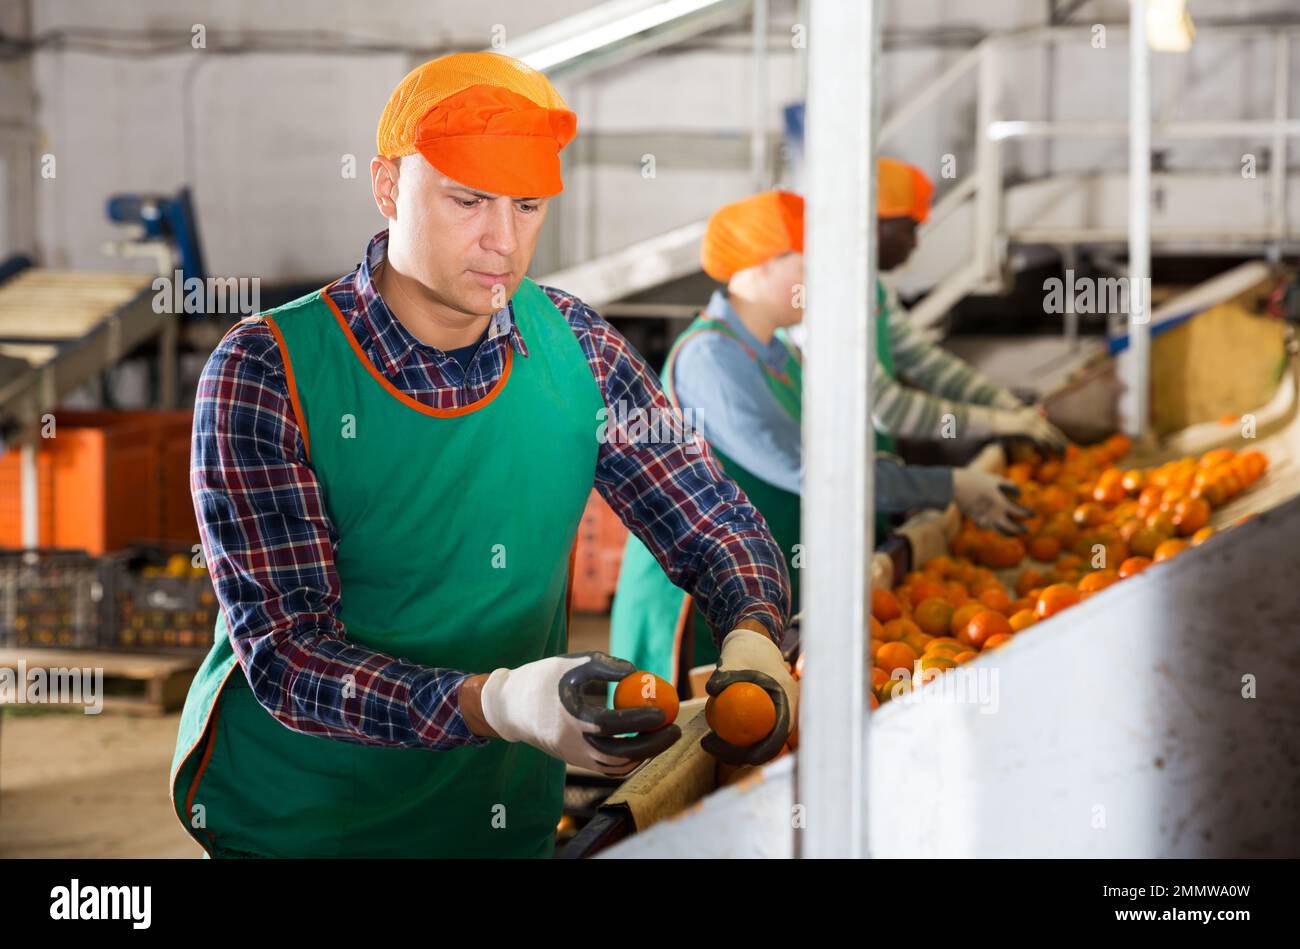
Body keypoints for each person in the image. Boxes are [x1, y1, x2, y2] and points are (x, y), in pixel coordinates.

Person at [169, 52, 797, 859]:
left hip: (499, 816)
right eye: (468, 200)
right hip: (305, 819)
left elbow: (709, 517)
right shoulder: (268, 370)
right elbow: (289, 656)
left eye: (528, 204)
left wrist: (751, 629)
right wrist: (495, 702)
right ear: (388, 186)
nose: (502, 241)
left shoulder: (578, 348)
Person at [610, 190, 1032, 690]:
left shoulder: (779, 354)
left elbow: (838, 457)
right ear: (762, 264)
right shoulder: (712, 360)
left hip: (760, 583)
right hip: (699, 596)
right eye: (809, 265)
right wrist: (948, 486)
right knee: (699, 735)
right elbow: (818, 473)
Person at [870, 157, 1068, 455]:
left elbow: (926, 362)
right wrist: (993, 423)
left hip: (875, 469)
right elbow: (889, 409)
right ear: (876, 223)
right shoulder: (832, 298)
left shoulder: (876, 290)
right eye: (909, 229)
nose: (914, 244)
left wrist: (1007, 407)